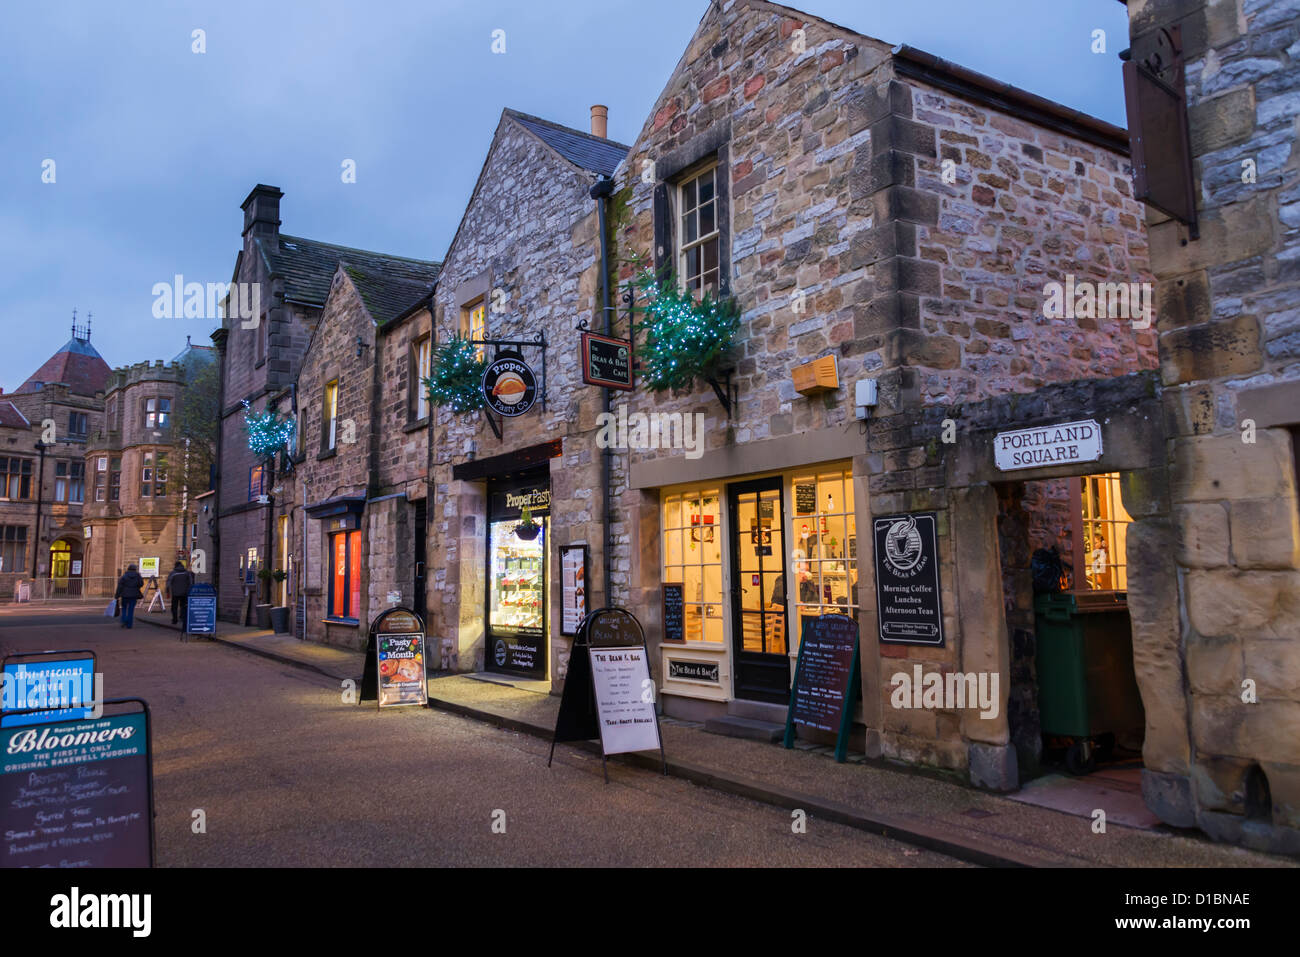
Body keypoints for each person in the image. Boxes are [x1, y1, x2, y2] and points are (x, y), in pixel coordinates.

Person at [114, 564, 145, 629]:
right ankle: (129, 625)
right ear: (135, 569)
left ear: (128, 569)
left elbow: (120, 586)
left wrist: (117, 595)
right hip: (134, 595)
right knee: (131, 610)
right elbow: (141, 584)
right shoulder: (138, 576)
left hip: (125, 594)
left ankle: (124, 620)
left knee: (124, 609)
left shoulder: (124, 576)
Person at [166, 560, 194, 626]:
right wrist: (189, 589)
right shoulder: (186, 573)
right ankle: (182, 617)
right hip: (184, 592)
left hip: (175, 593)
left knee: (174, 607)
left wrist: (167, 590)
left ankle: (175, 620)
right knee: (183, 606)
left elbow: (168, 583)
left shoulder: (173, 573)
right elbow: (190, 582)